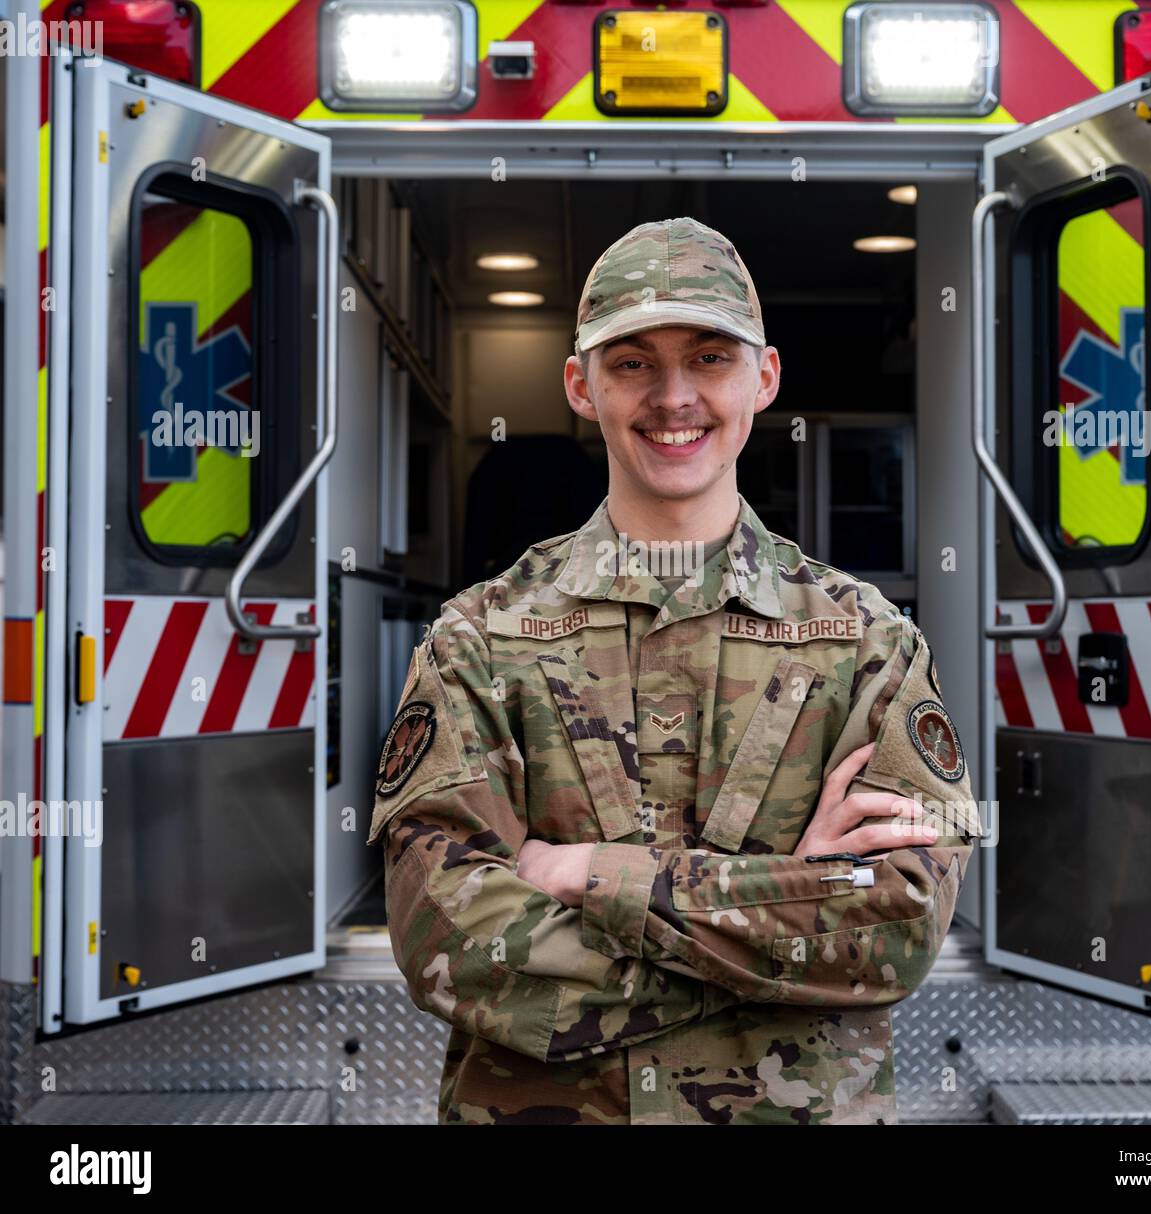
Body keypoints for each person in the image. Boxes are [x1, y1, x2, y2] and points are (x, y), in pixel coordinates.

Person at [367, 216, 985, 1125]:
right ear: (581, 385)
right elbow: (448, 943)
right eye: (632, 363)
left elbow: (892, 931)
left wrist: (589, 875)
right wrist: (785, 917)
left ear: (763, 378)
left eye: (708, 358)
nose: (673, 396)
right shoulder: (480, 638)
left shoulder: (867, 643)